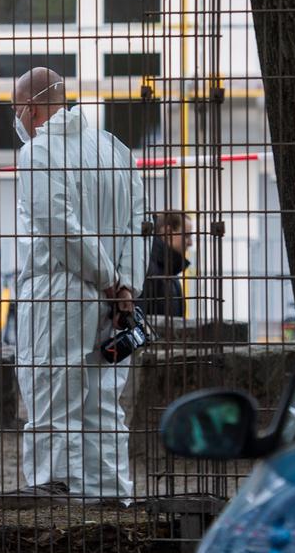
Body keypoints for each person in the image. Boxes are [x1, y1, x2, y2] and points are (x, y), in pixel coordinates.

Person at [11, 67, 147, 505]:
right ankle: (111, 500)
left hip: (59, 297)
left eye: (16, 110)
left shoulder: (38, 153)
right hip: (114, 307)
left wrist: (108, 279)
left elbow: (60, 228)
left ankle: (58, 505)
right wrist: (126, 287)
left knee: (52, 405)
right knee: (103, 406)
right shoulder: (114, 150)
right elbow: (138, 225)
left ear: (30, 109)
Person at [140, 211, 194, 317]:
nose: (190, 243)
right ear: (168, 233)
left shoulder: (168, 269)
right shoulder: (150, 270)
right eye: (186, 236)